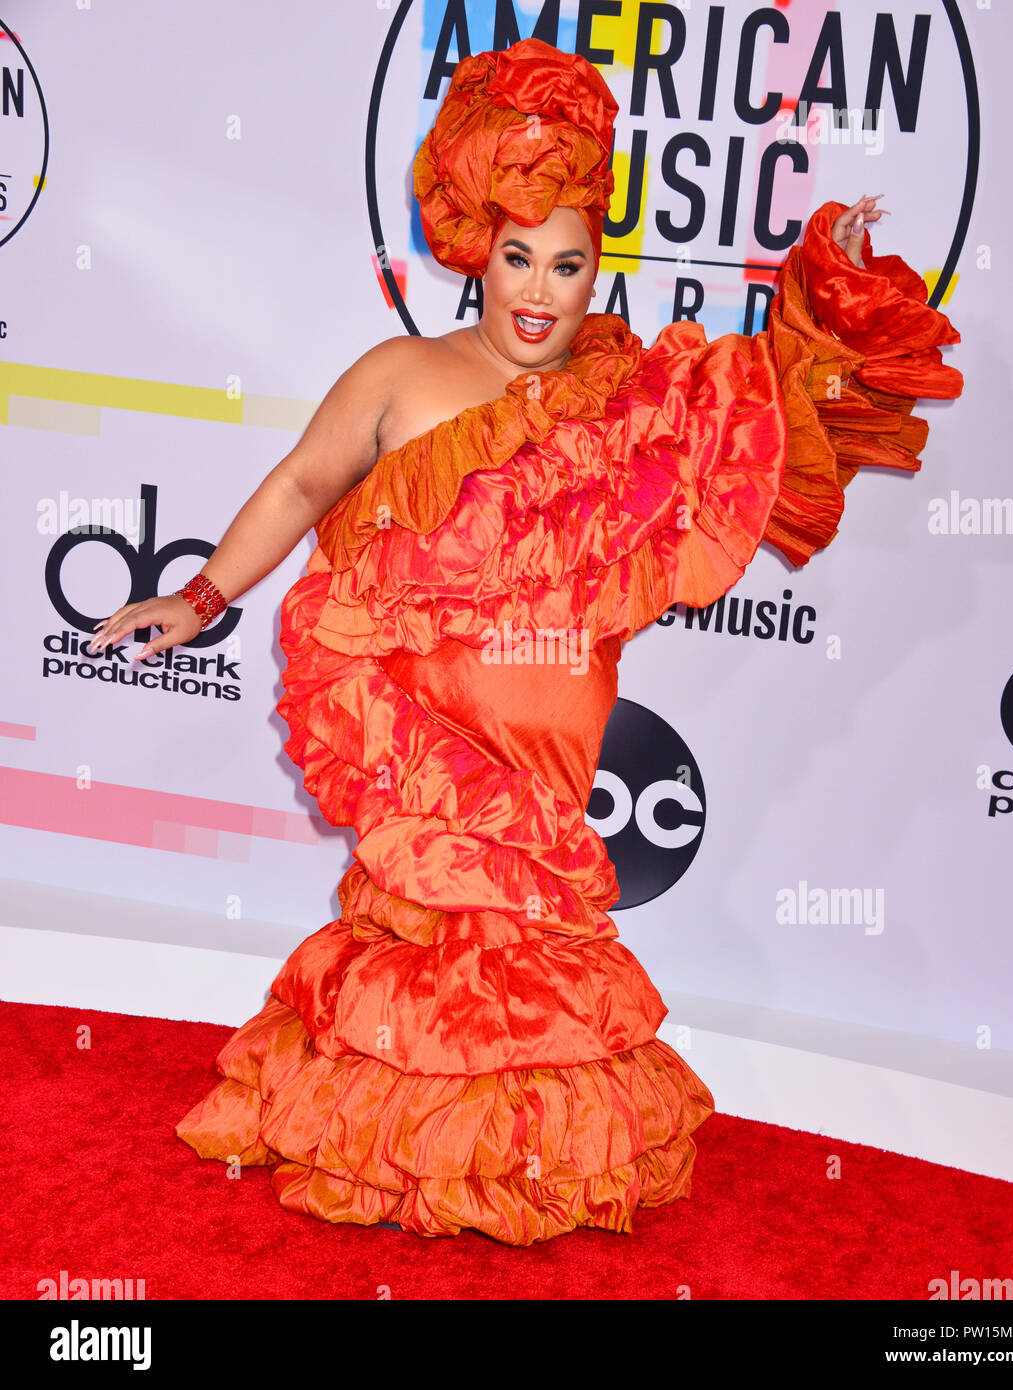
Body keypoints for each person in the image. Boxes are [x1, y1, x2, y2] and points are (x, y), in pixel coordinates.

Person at [89, 38, 962, 1245]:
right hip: (421, 732)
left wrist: (835, 294)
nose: (539, 292)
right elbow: (299, 484)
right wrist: (202, 596)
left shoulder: (625, 397)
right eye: (516, 260)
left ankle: (518, 1156)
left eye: (566, 264)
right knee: (432, 938)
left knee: (529, 955)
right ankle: (410, 1151)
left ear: (596, 267)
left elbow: (765, 402)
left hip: (548, 736)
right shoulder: (402, 373)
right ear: (477, 256)